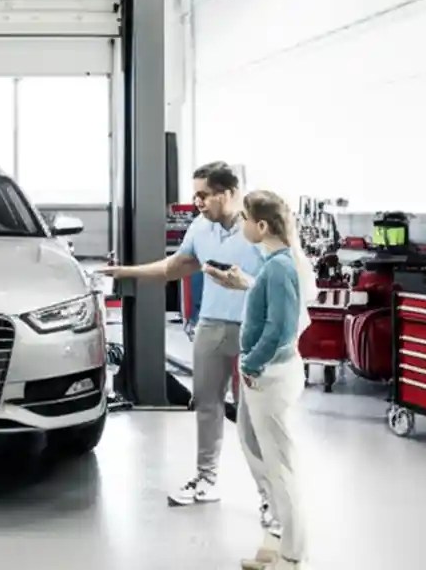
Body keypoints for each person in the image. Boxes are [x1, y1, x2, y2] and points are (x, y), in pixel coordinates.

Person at [98, 161, 267, 509]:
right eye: (195, 195)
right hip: (211, 327)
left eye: (204, 195)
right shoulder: (200, 228)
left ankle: (268, 495)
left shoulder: (257, 228)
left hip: (253, 329)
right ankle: (205, 480)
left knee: (252, 417)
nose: (197, 202)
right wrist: (127, 272)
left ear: (229, 193)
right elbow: (176, 266)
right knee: (207, 405)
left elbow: (279, 279)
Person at [233, 190, 314, 570]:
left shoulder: (279, 267)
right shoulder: (275, 264)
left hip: (270, 375)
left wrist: (251, 363)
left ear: (261, 225)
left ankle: (292, 556)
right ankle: (276, 542)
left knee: (280, 466)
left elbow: (280, 328)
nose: (240, 224)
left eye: (244, 217)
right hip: (265, 373)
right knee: (254, 447)